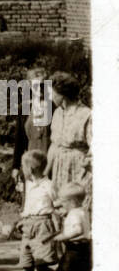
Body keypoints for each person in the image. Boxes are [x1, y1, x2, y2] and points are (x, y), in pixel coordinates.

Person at [13, 150, 57, 271]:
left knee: (42, 264)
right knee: (27, 266)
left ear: (30, 169)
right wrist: (22, 220)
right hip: (28, 226)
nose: (22, 170)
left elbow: (57, 204)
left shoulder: (49, 185)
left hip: (42, 226)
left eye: (24, 167)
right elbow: (28, 206)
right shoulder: (29, 185)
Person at [46, 72, 91, 208]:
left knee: (77, 208)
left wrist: (86, 177)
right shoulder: (57, 113)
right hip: (59, 169)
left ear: (62, 94)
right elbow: (54, 144)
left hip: (79, 170)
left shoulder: (86, 114)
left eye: (53, 93)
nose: (51, 97)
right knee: (59, 206)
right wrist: (45, 173)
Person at [51, 183, 92, 271]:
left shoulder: (74, 214)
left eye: (64, 203)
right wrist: (66, 213)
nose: (62, 205)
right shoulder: (82, 211)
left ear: (72, 202)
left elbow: (77, 230)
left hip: (74, 249)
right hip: (84, 247)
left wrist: (62, 237)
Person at [11, 66, 52, 184]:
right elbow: (19, 140)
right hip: (30, 163)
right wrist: (15, 166)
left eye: (43, 85)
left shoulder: (54, 108)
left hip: (49, 162)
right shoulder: (24, 108)